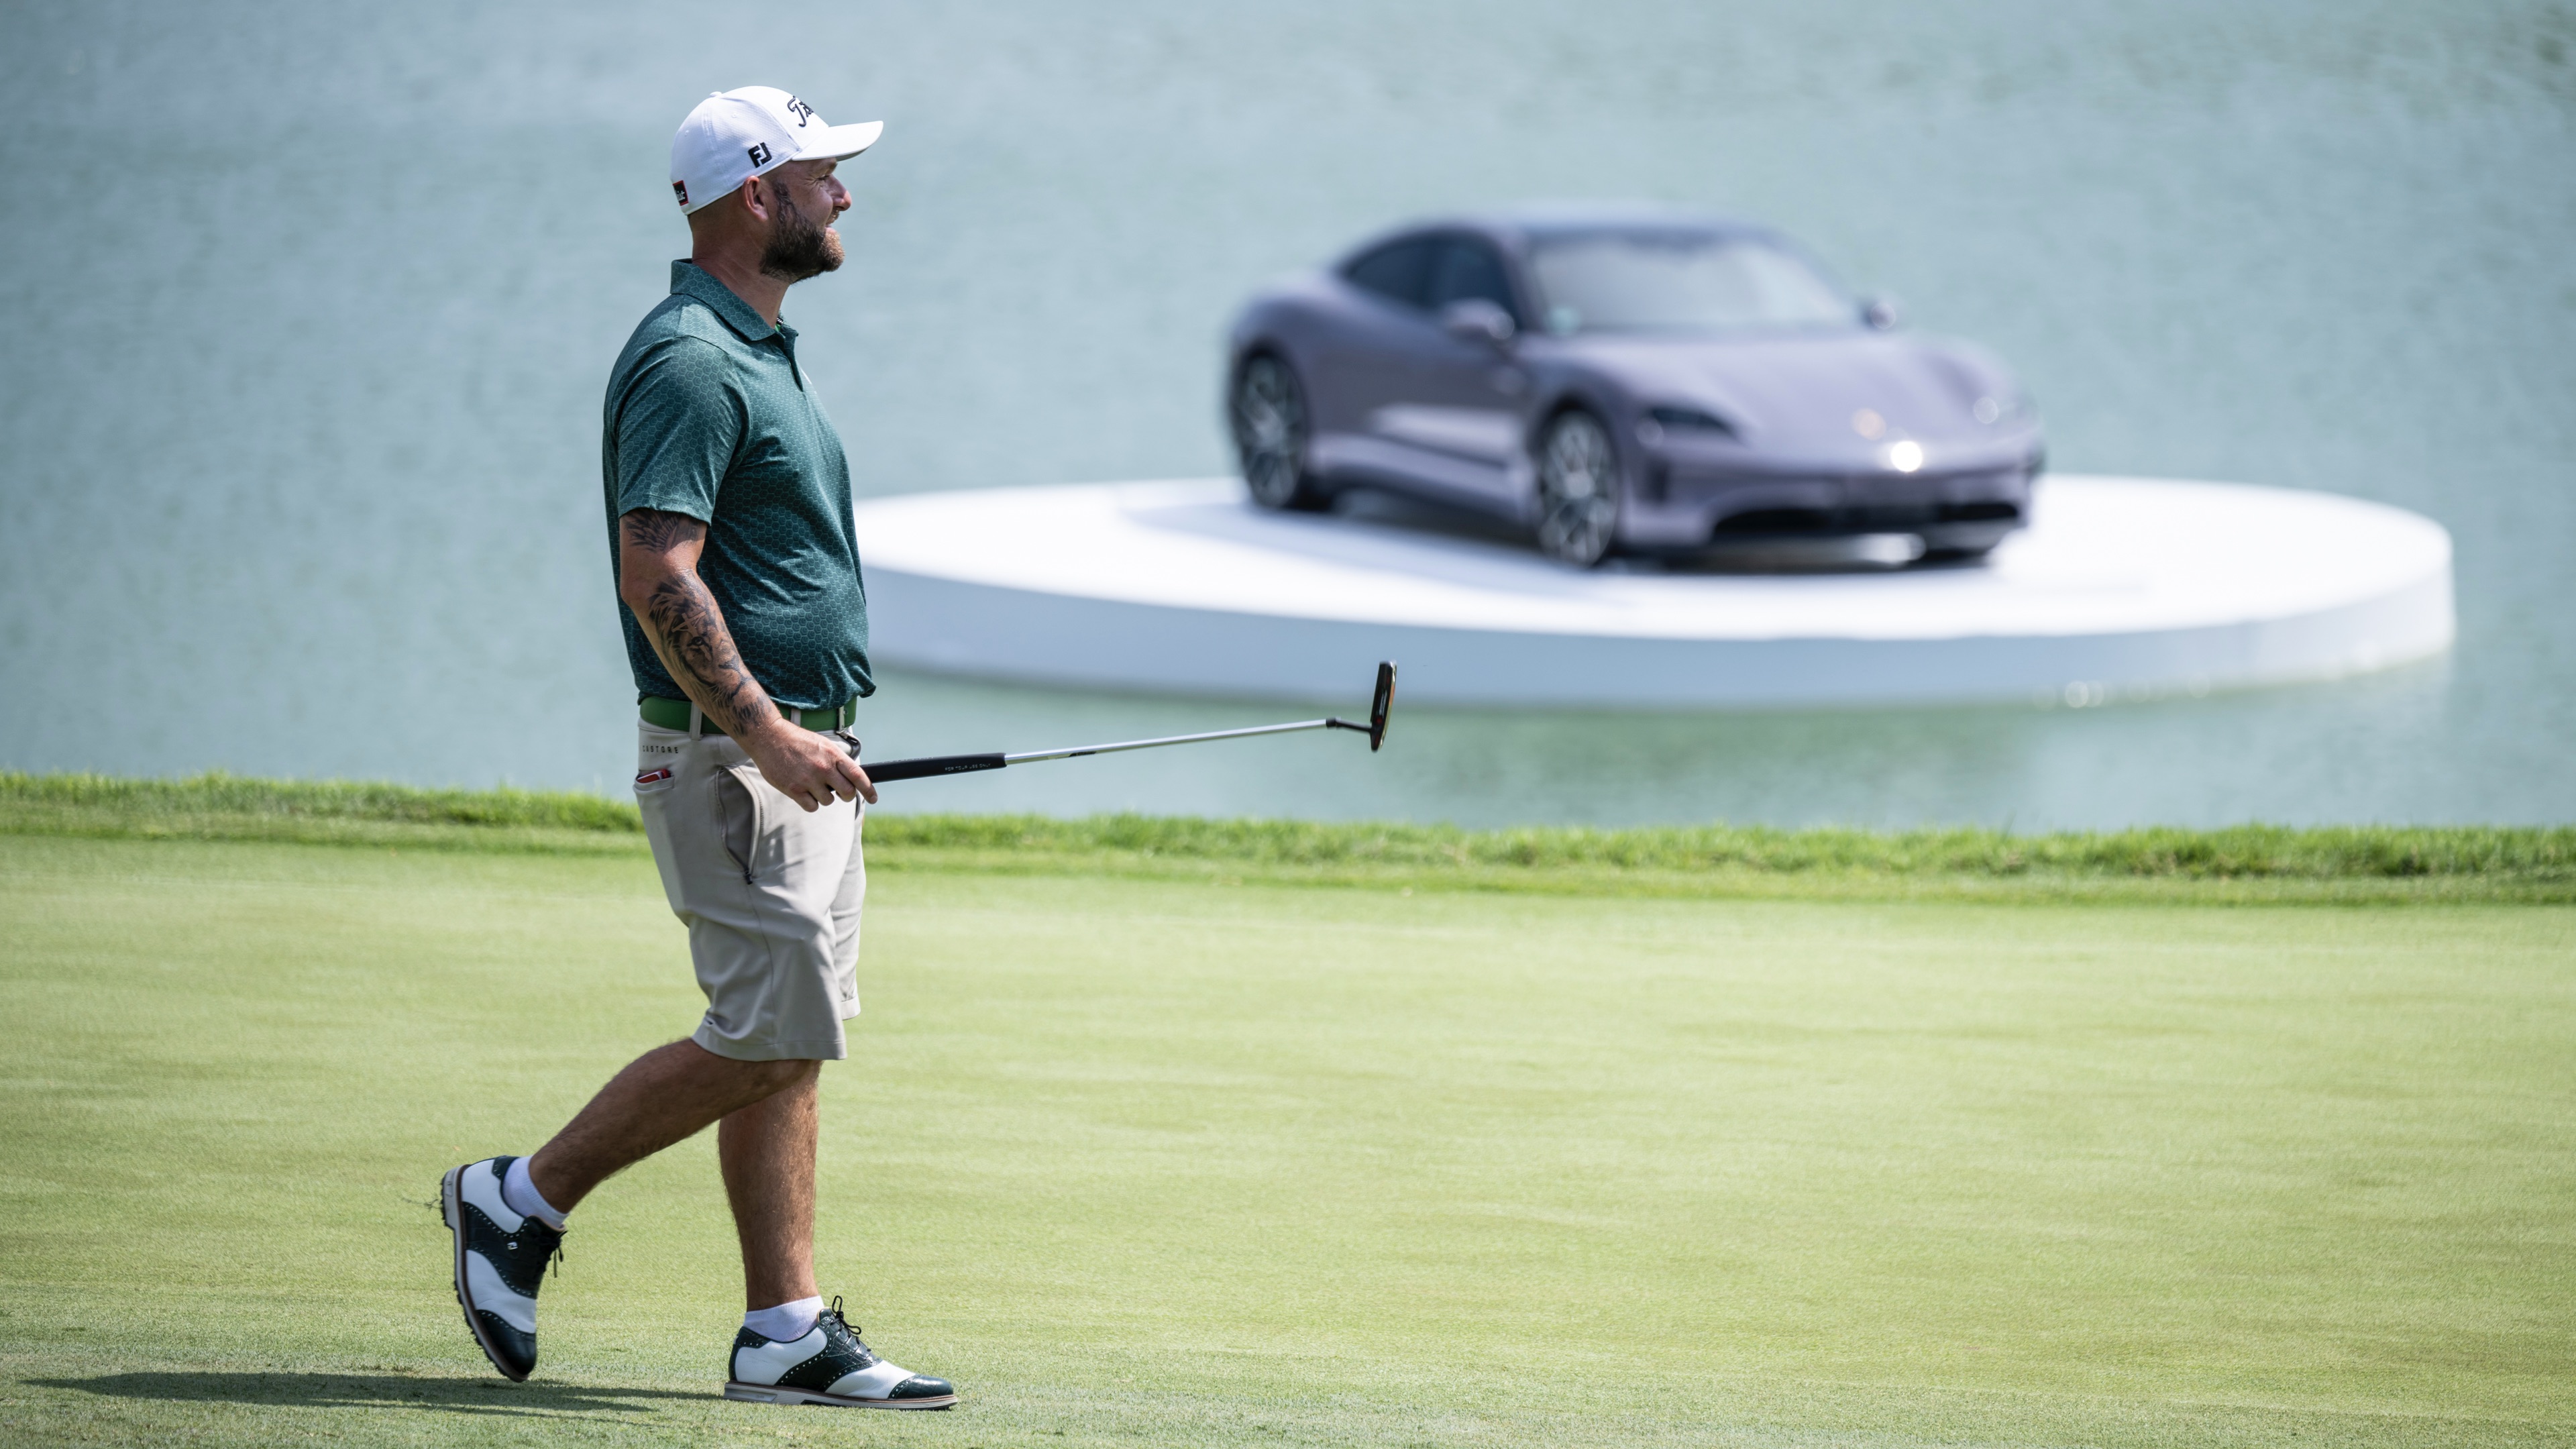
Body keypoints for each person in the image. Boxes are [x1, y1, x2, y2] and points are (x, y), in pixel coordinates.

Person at [439, 86, 955, 1411]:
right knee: (776, 1028)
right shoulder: (690, 360)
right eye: (822, 174)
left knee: (789, 1034)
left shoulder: (756, 345)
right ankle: (520, 1196)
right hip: (737, 764)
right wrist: (771, 732)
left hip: (798, 762)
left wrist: (806, 739)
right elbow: (654, 571)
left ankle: (783, 1328)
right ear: (753, 194)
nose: (845, 194)